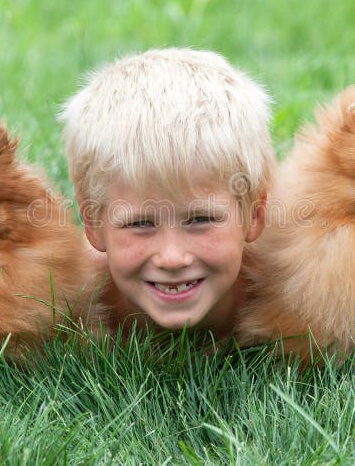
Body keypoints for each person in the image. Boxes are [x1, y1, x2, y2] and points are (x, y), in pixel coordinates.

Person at [60, 48, 276, 339]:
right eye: (139, 224)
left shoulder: (292, 298)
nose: (172, 258)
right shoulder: (70, 303)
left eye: (200, 219)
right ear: (94, 226)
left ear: (254, 215)